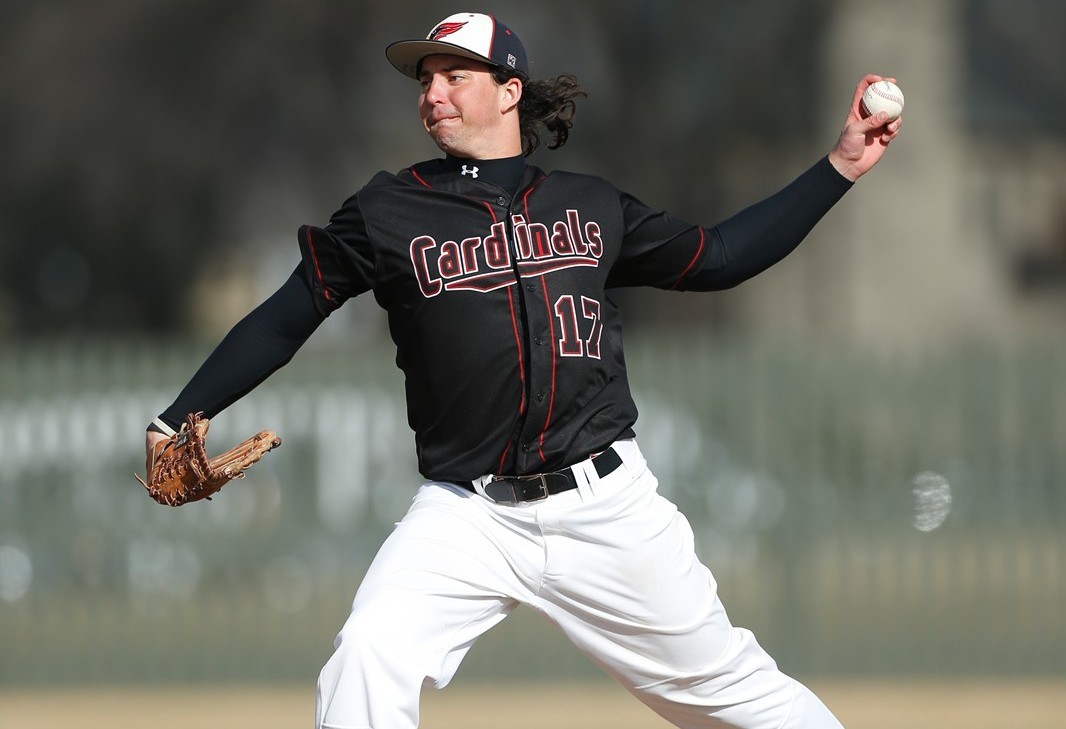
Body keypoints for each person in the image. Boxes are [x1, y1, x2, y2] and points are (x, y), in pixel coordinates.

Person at [144, 11, 901, 729]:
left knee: (730, 691)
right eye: (424, 80)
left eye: (454, 75)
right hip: (467, 512)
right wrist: (177, 414)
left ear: (509, 90)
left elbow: (723, 257)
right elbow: (290, 310)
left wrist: (840, 166)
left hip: (605, 505)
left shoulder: (591, 204)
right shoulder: (388, 212)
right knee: (370, 652)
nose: (433, 93)